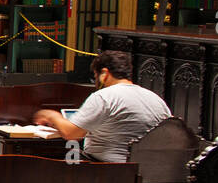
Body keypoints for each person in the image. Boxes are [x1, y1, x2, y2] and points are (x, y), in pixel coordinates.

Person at [33, 50, 170, 162]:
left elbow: (71, 134)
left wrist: (51, 115)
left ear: (104, 73)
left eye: (95, 76)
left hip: (108, 171)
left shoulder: (104, 97)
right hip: (150, 173)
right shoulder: (156, 99)